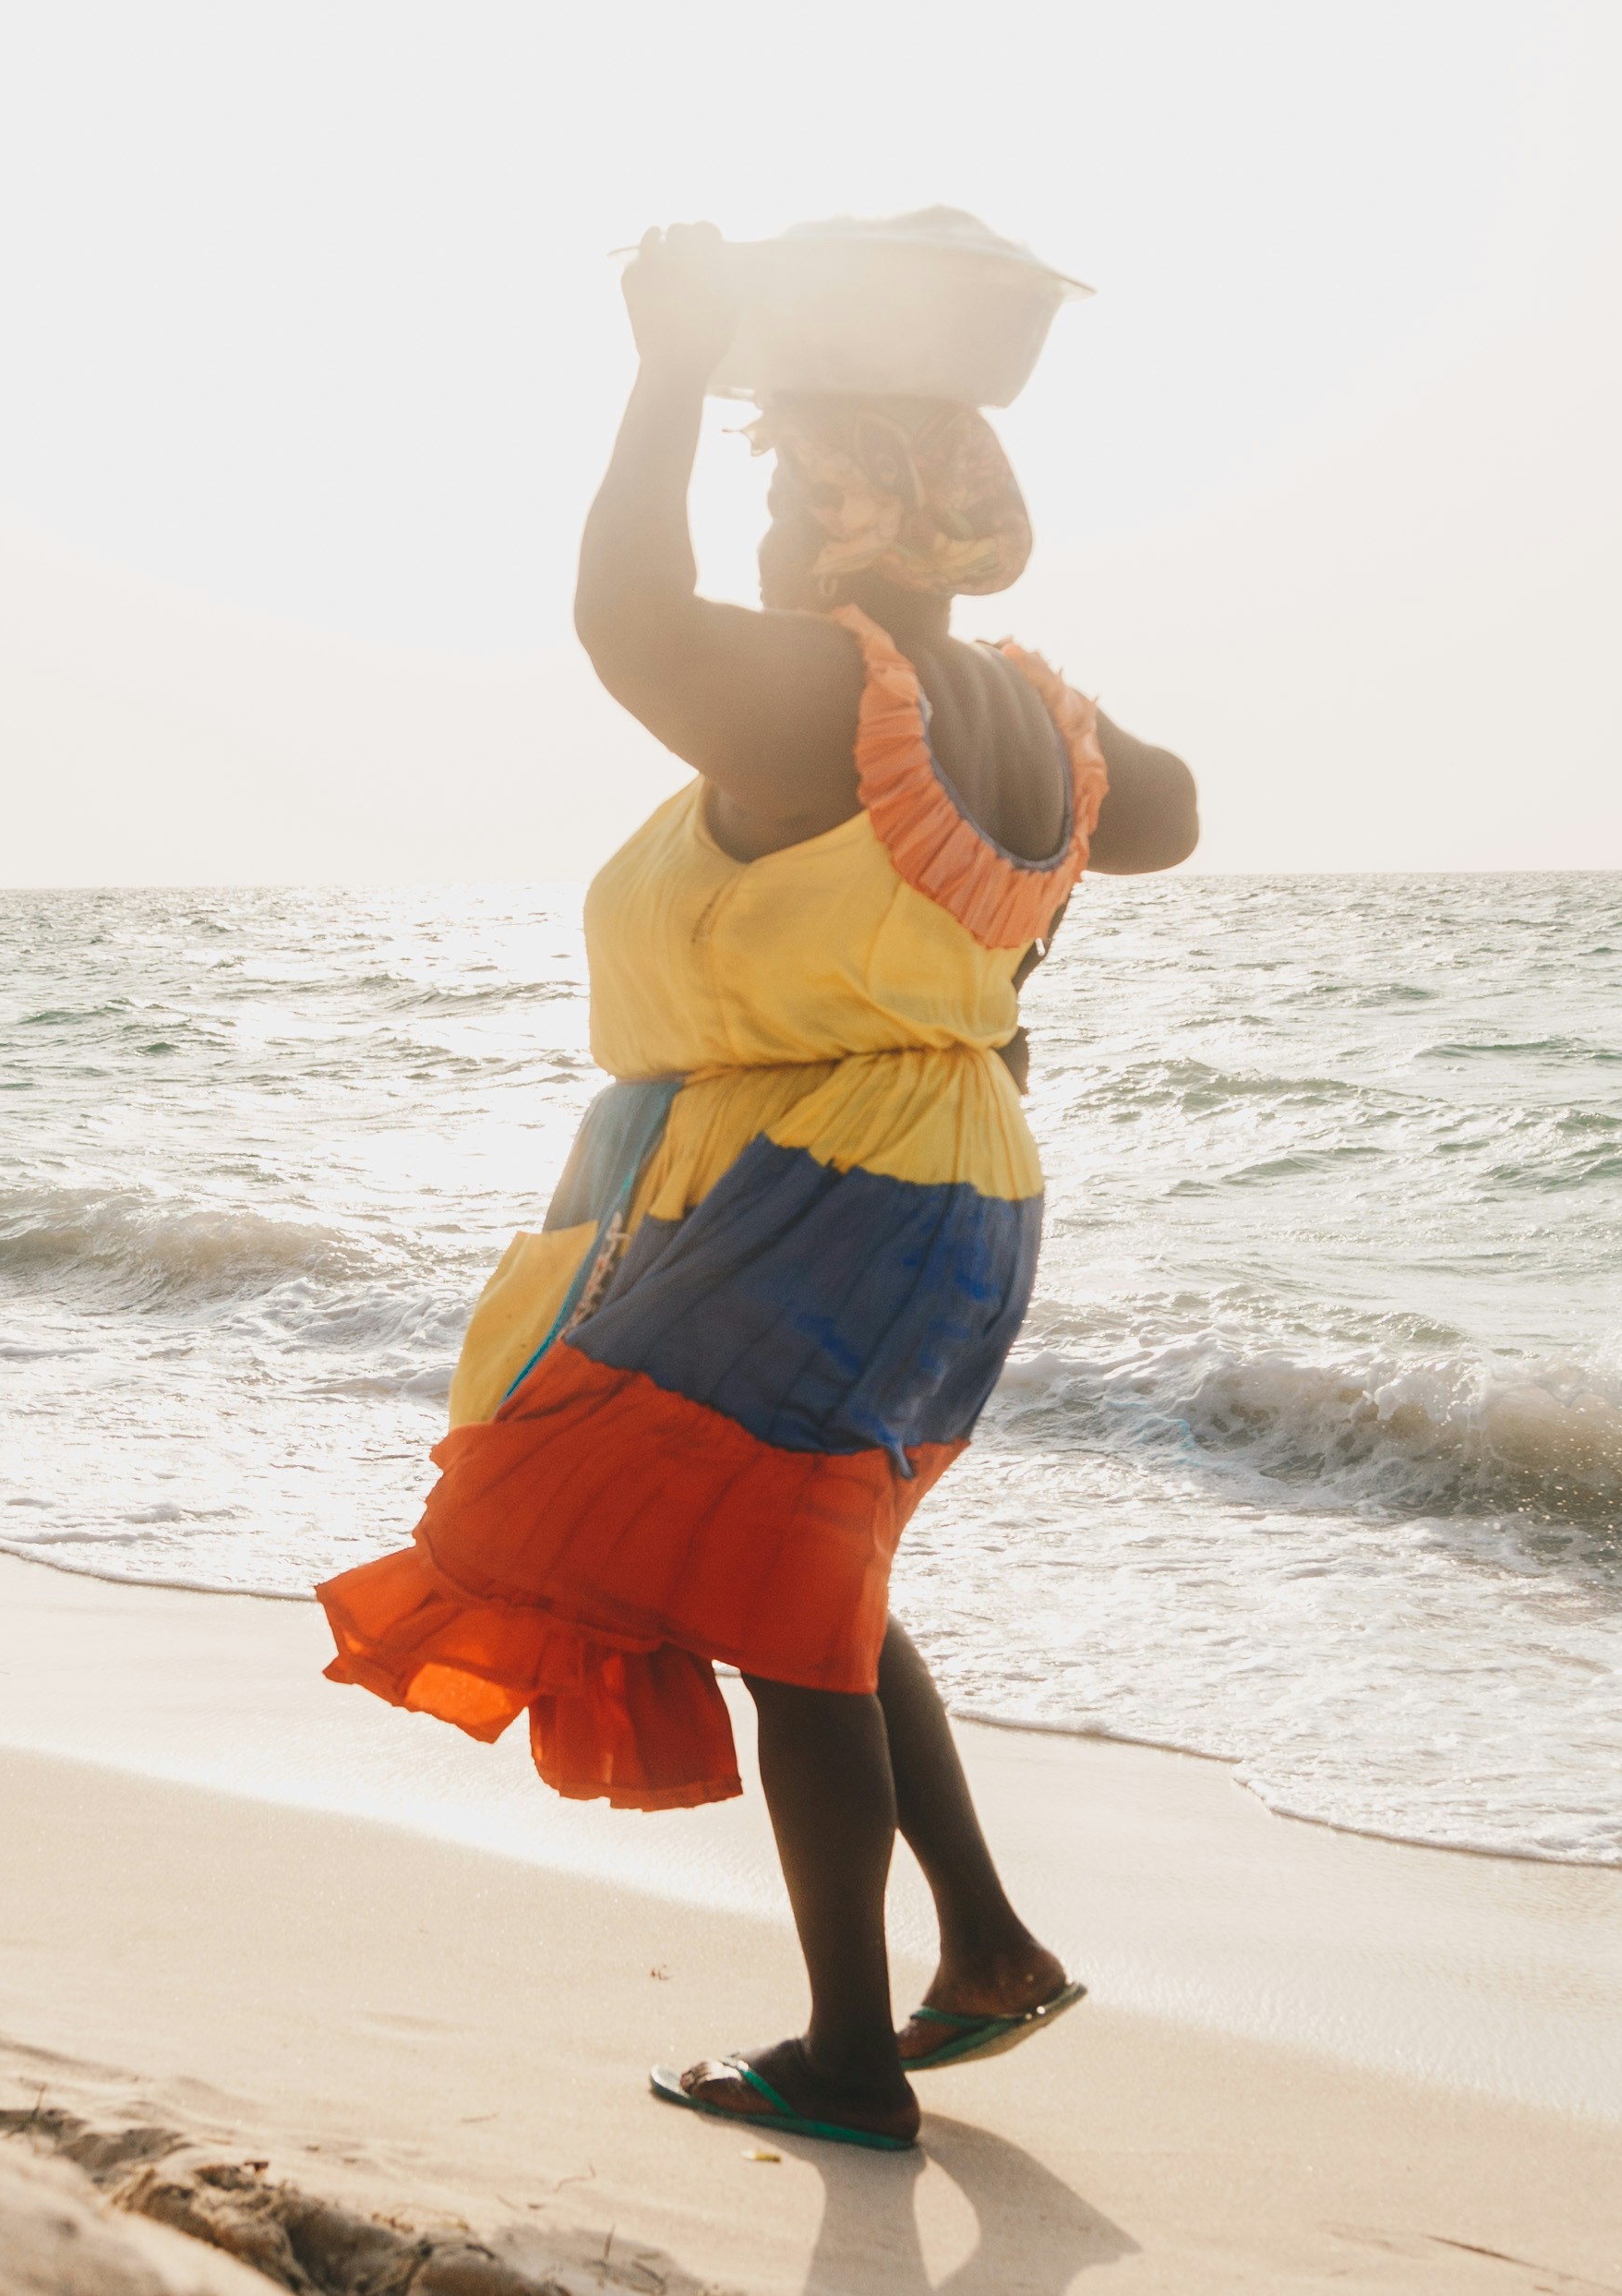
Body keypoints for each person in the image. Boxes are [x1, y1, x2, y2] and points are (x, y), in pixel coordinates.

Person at [318, 228, 1198, 2155]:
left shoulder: (821, 693)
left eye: (793, 487)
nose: (775, 529)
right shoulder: (1029, 713)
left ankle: (850, 2056)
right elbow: (1174, 811)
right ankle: (980, 1948)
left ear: (869, 511)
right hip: (943, 1184)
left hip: (829, 1191)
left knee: (787, 1607)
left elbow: (627, 614)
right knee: (810, 1571)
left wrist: (663, 364)